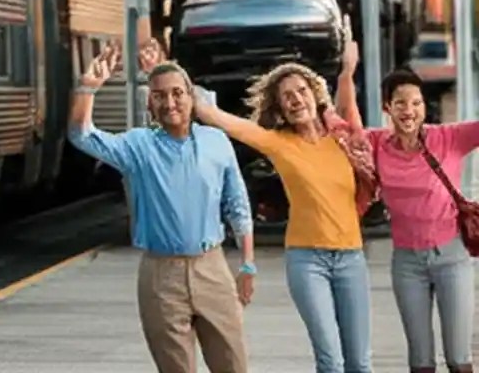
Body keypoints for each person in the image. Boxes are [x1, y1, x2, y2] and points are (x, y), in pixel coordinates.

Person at [188, 42, 377, 373]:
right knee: (330, 361)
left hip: (351, 259)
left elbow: (349, 106)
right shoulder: (279, 144)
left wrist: (347, 70)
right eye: (286, 96)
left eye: (301, 90)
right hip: (308, 262)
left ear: (315, 94)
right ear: (280, 109)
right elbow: (220, 119)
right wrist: (171, 79)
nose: (295, 99)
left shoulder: (343, 138)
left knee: (359, 363)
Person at [68, 40, 255, 373]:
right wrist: (88, 87)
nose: (169, 102)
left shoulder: (216, 142)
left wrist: (248, 264)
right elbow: (82, 135)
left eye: (177, 93)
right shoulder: (137, 146)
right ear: (150, 103)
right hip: (160, 275)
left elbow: (237, 203)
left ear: (191, 97)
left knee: (233, 365)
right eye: (159, 96)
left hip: (212, 268)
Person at [340, 62, 479, 373]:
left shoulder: (448, 138)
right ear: (387, 107)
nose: (409, 110)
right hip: (406, 262)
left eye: (416, 102)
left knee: (458, 356)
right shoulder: (376, 144)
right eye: (400, 103)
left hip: (452, 258)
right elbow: (343, 123)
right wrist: (346, 74)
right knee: (420, 359)